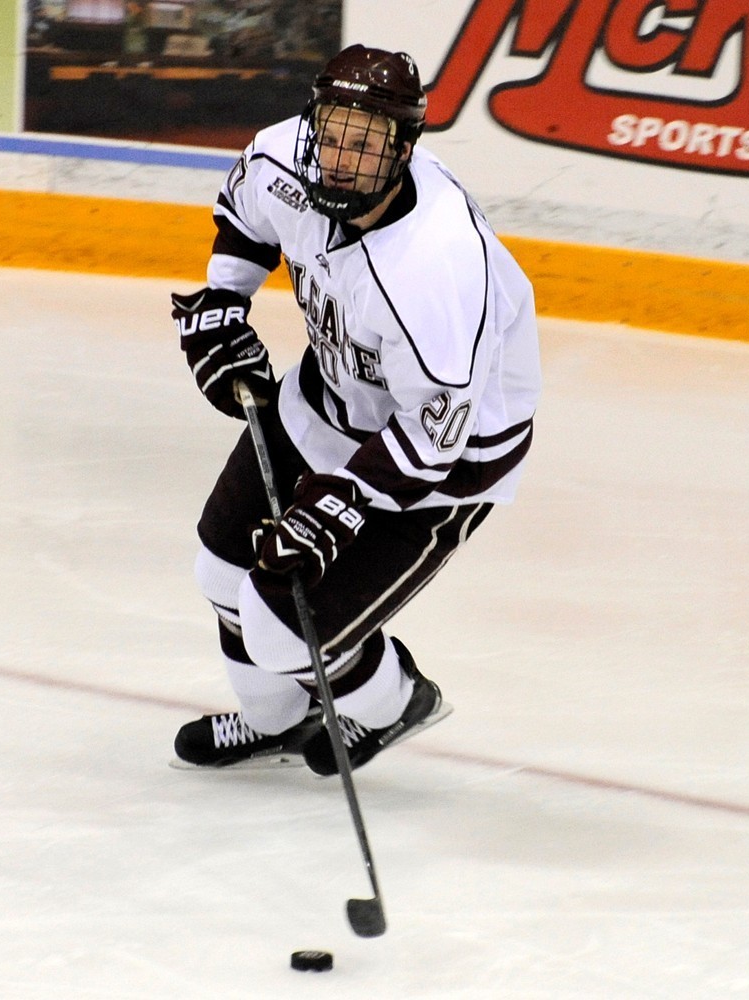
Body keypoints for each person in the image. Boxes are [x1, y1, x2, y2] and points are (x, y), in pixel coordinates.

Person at [169, 44, 541, 774]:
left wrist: (332, 510)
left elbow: (435, 433)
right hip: (328, 399)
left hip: (443, 461)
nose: (339, 158)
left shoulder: (437, 265)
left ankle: (393, 701)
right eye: (332, 132)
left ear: (403, 149)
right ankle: (276, 720)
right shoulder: (285, 161)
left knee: (284, 630)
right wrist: (222, 305)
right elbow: (246, 225)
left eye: (365, 144)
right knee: (221, 571)